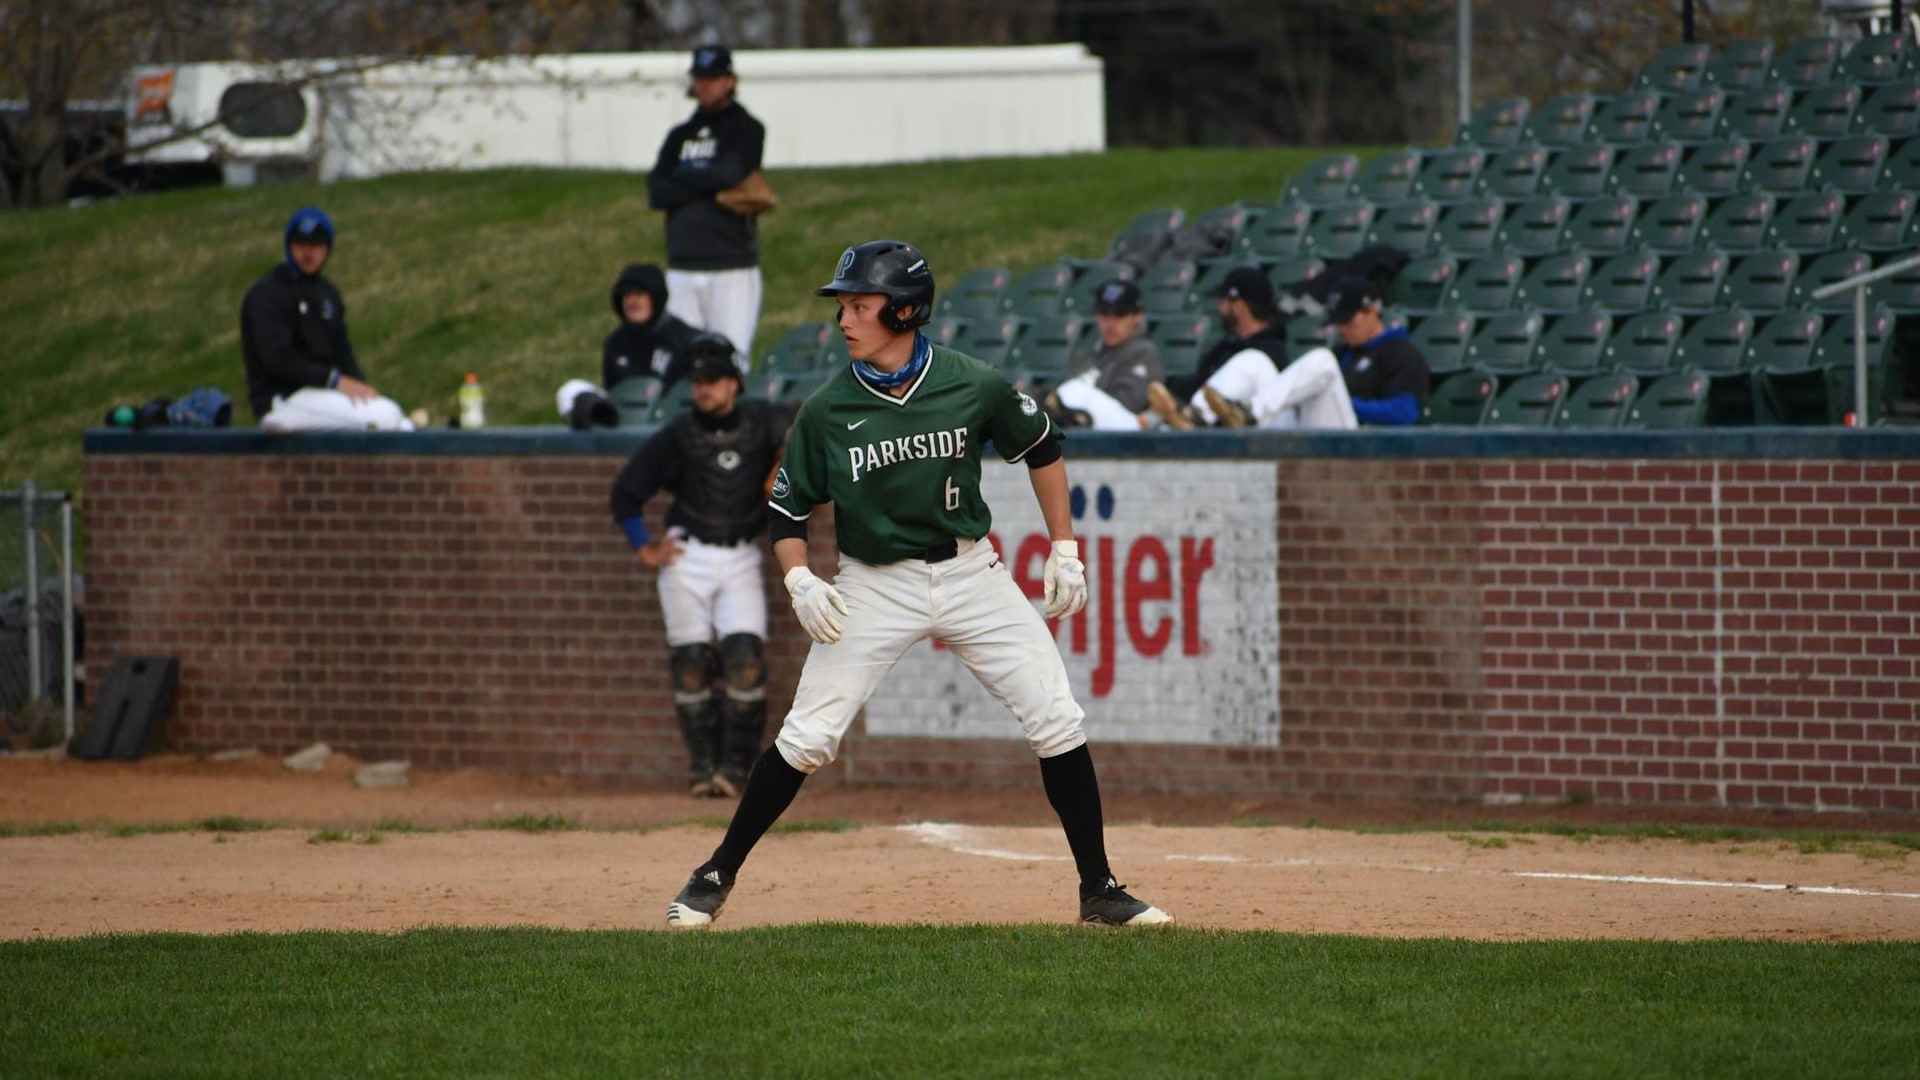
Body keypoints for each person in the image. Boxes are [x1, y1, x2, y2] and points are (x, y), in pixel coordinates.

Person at [664, 240, 1172, 930]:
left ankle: (1100, 888)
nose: (844, 319)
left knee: (1056, 717)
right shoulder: (827, 409)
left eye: (860, 305)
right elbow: (785, 509)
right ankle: (714, 873)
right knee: (809, 736)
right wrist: (799, 578)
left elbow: (1041, 446)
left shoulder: (970, 381)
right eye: (843, 305)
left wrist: (1065, 547)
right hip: (874, 584)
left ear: (904, 311)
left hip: (971, 571)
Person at [609, 332, 791, 798]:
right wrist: (644, 549)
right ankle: (702, 769)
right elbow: (625, 493)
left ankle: (736, 772)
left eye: (713, 380)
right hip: (687, 556)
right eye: (697, 382)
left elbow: (802, 430)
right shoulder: (678, 436)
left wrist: (783, 465)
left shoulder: (762, 423)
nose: (703, 389)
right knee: (690, 663)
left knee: (744, 659)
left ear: (734, 383)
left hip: (742, 554)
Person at [1169, 271, 1429, 430]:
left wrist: (1347, 405)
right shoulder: (1345, 353)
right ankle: (1196, 416)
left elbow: (1406, 412)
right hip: (1310, 429)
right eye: (1338, 322)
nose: (1343, 329)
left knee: (1321, 360)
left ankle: (1252, 411)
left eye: (1348, 321)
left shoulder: (1400, 353)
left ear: (1372, 311)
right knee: (1253, 360)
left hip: (1356, 441)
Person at [240, 207, 413, 432]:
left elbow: (342, 352)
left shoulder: (327, 293)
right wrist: (334, 380)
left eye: (316, 245)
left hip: (322, 394)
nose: (308, 252)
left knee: (404, 425)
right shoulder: (268, 292)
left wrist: (361, 387)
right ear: (289, 246)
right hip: (283, 399)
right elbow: (277, 358)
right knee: (385, 418)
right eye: (301, 244)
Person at [647, 45, 767, 368]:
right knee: (681, 362)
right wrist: (707, 181)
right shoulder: (679, 135)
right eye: (700, 77)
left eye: (713, 77)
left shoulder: (746, 128)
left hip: (731, 266)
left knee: (729, 360)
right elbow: (657, 191)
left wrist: (683, 175)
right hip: (682, 264)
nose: (705, 85)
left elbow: (731, 172)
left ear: (730, 80)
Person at [1145, 265, 1290, 429]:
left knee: (1253, 360)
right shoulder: (1226, 345)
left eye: (1223, 301)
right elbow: (1200, 381)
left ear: (1239, 306)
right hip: (1210, 433)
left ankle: (1195, 416)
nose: (1219, 308)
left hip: (1253, 436)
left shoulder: (1272, 352)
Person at [1041, 279, 1167, 430]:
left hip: (1132, 432)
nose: (1110, 323)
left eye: (1119, 314)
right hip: (1090, 431)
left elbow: (1130, 403)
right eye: (1104, 314)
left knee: (1077, 390)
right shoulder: (1089, 353)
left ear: (1137, 315)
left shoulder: (1144, 352)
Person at [602, 262, 702, 393]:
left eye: (639, 294)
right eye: (626, 295)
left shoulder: (685, 341)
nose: (632, 302)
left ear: (656, 298)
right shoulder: (615, 344)